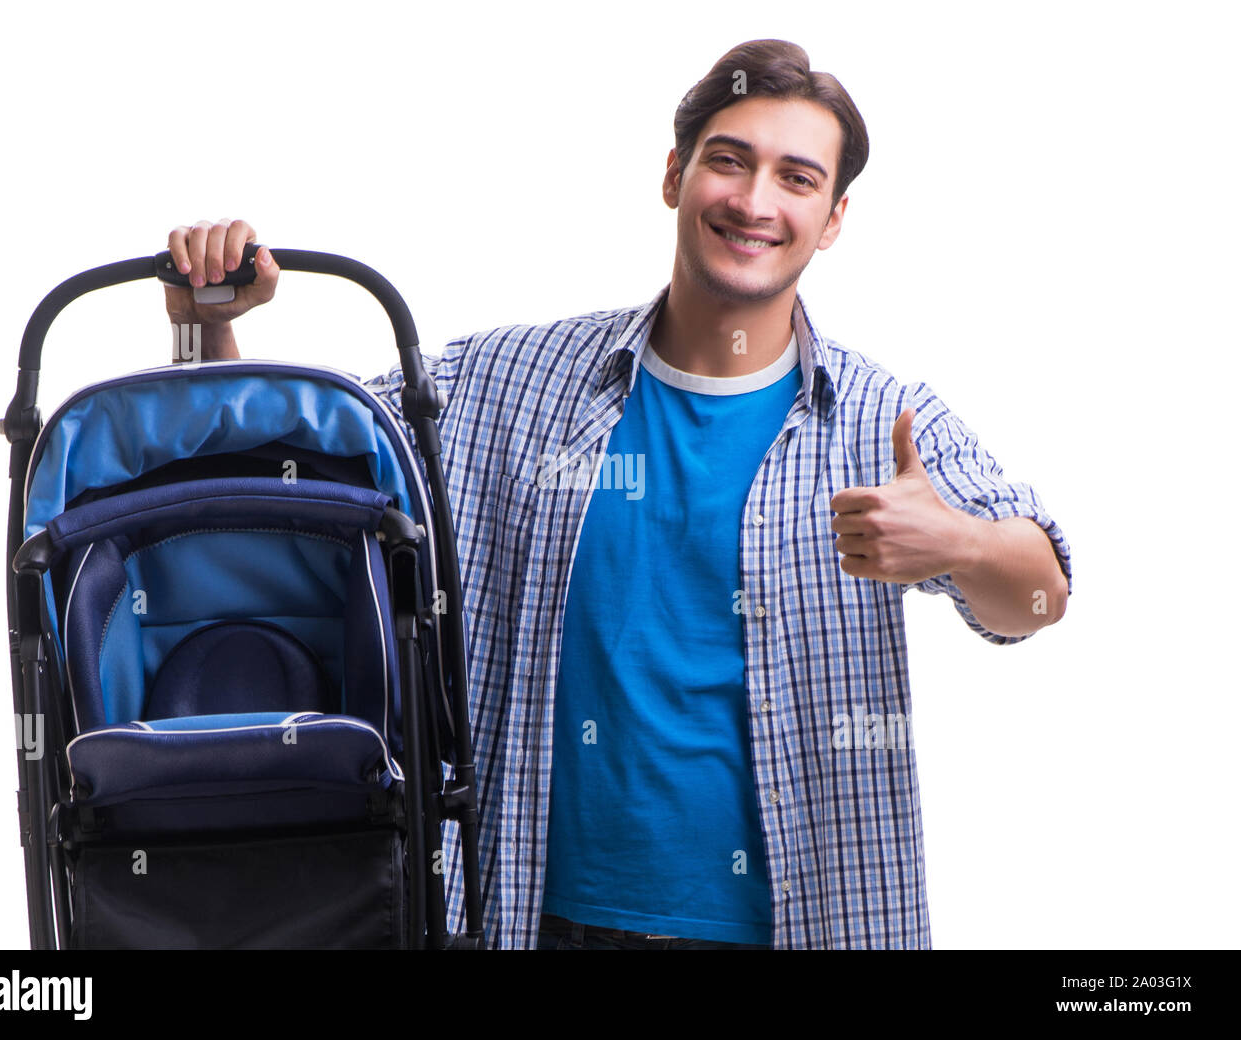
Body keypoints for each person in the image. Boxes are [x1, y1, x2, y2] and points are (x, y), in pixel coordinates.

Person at [162, 39, 1073, 950]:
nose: (755, 202)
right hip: (529, 917)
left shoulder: (883, 421)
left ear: (832, 218)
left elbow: (1038, 593)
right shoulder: (504, 383)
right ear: (675, 175)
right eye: (729, 161)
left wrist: (960, 544)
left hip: (793, 924)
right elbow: (282, 483)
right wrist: (211, 326)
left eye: (796, 178)